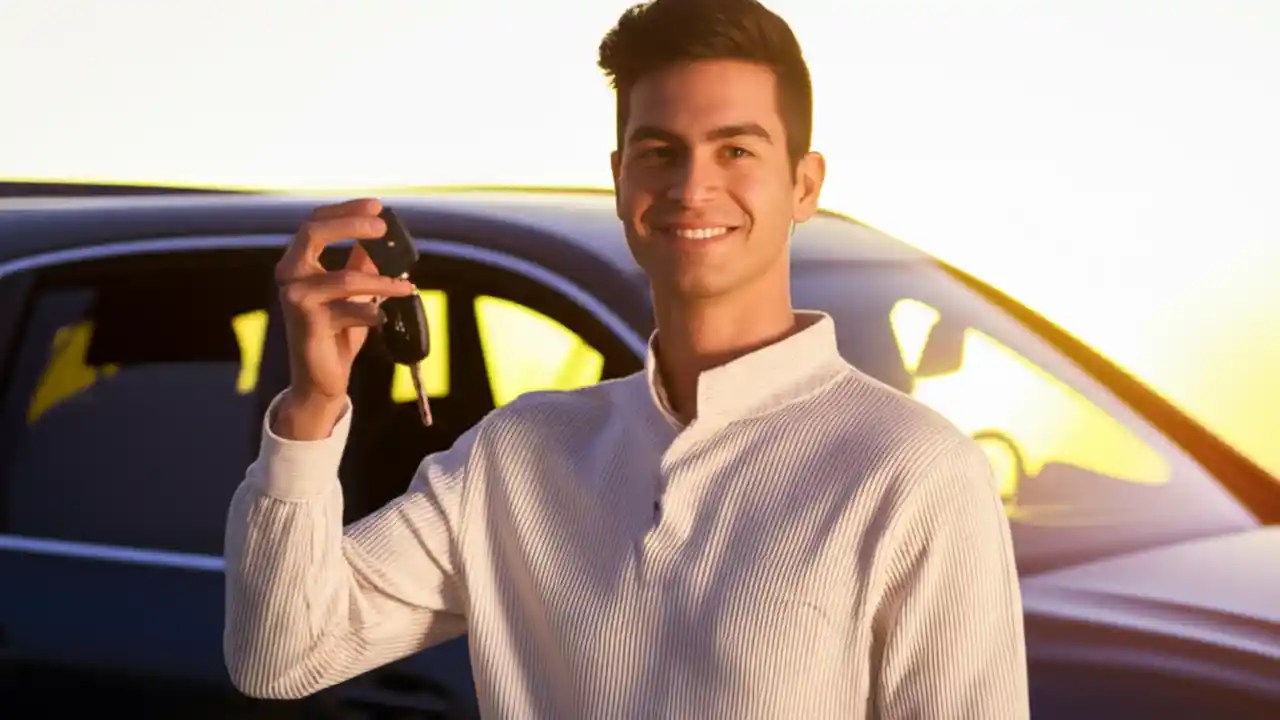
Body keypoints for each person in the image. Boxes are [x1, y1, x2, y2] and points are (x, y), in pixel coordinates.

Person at [223, 0, 1030, 717]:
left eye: (736, 151)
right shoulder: (517, 455)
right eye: (658, 151)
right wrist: (310, 410)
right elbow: (282, 657)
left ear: (805, 185)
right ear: (619, 180)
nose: (690, 186)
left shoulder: (917, 475)